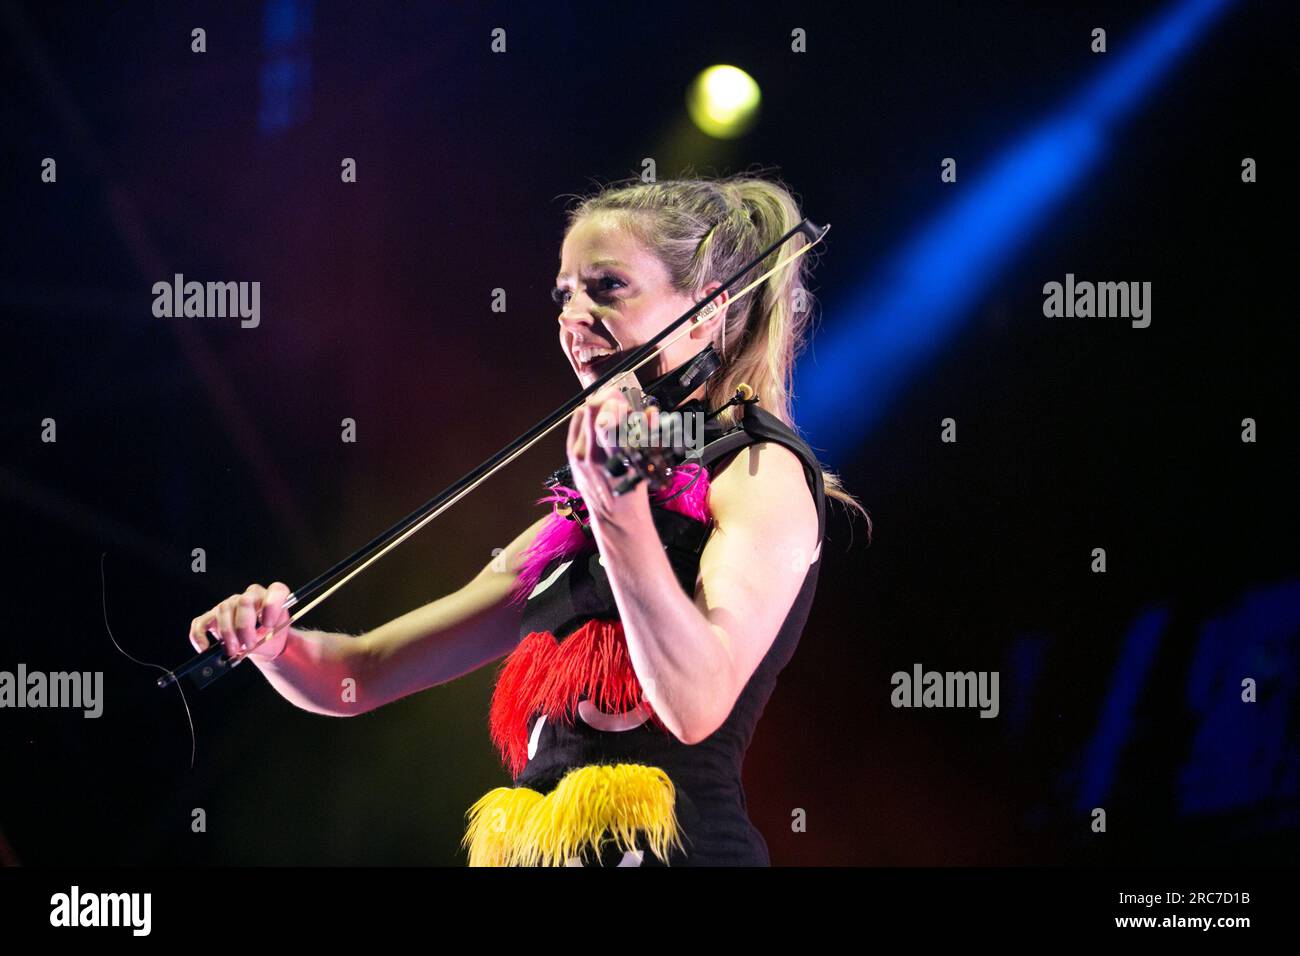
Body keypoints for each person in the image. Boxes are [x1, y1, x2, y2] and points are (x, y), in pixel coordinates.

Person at [187, 175, 868, 866]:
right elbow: (361, 673)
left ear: (704, 313)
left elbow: (697, 705)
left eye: (608, 288)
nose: (573, 315)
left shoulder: (761, 474)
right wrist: (276, 645)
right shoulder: (579, 518)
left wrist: (621, 519)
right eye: (563, 293)